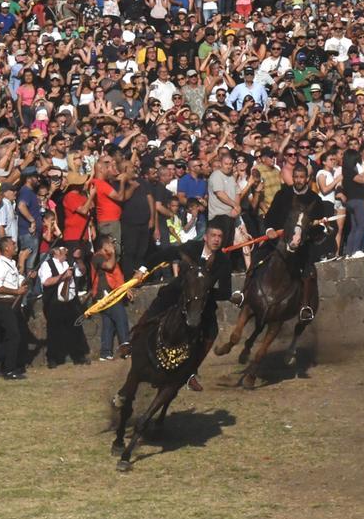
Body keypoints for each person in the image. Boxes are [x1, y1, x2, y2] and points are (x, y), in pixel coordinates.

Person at [130, 218, 235, 391]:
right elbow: (163, 255)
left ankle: (191, 371)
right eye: (213, 235)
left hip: (202, 301)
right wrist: (142, 270)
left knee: (211, 331)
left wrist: (203, 295)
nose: (216, 239)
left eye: (219, 236)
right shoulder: (191, 248)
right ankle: (133, 340)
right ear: (205, 237)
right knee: (160, 302)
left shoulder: (224, 261)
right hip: (178, 292)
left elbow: (225, 292)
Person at [255, 163, 326, 321]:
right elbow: (270, 216)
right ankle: (244, 294)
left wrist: (317, 228)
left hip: (302, 243)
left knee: (308, 270)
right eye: (296, 177)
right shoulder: (282, 194)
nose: (299, 180)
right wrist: (269, 230)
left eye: (302, 177)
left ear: (307, 179)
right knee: (258, 257)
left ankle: (305, 306)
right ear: (292, 178)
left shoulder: (315, 199)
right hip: (278, 240)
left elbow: (320, 227)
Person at [38, 244, 90, 368]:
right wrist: (63, 277)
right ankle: (53, 358)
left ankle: (78, 356)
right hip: (54, 302)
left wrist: (78, 259)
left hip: (71, 301)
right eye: (63, 250)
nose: (66, 251)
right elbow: (46, 282)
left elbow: (82, 271)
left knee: (76, 329)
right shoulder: (47, 265)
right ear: (56, 252)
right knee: (54, 330)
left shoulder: (68, 263)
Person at [0, 237, 28, 379]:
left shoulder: (11, 264)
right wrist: (17, 292)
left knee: (8, 337)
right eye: (12, 243)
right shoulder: (0, 265)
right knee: (13, 335)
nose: (15, 245)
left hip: (11, 304)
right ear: (6, 248)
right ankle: (9, 370)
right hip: (2, 304)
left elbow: (15, 283)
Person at [91, 233, 129, 361]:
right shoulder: (97, 257)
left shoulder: (107, 257)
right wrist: (112, 253)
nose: (113, 245)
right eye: (111, 243)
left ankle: (105, 352)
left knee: (108, 324)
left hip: (111, 293)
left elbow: (116, 275)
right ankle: (125, 349)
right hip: (106, 295)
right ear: (105, 245)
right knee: (121, 318)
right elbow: (109, 266)